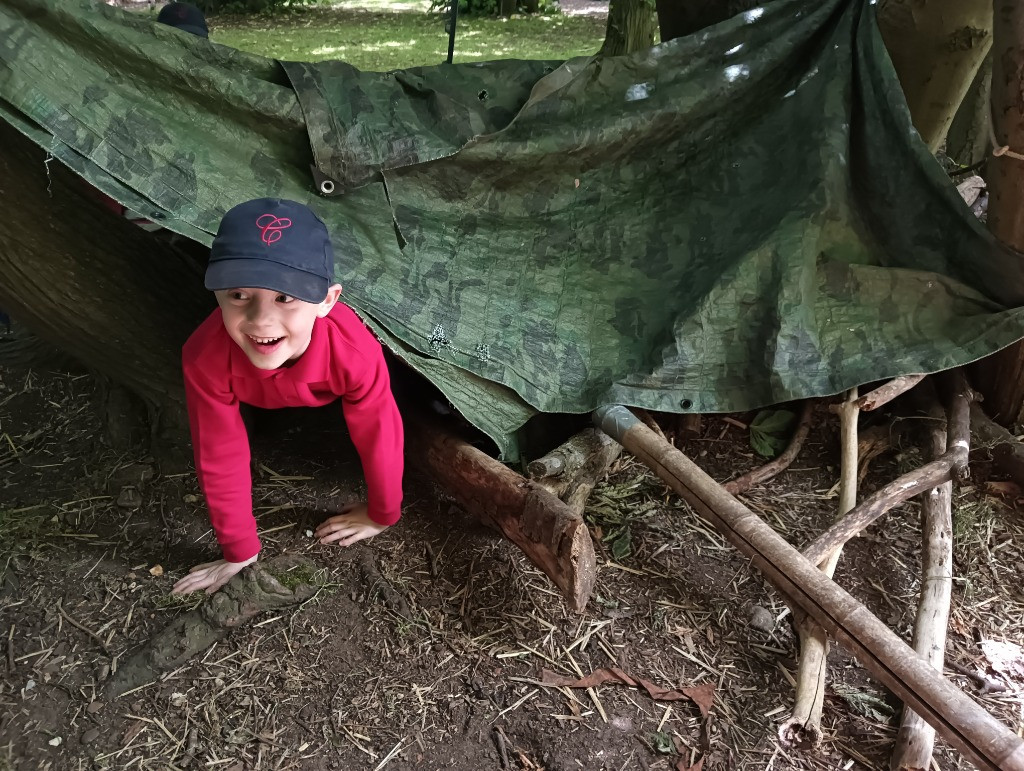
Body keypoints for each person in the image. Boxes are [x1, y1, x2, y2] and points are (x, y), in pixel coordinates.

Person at [172, 198, 404, 595]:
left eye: (285, 297)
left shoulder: (355, 353)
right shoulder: (205, 356)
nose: (261, 319)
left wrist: (382, 514)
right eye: (239, 295)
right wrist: (239, 552)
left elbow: (379, 430)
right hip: (255, 394)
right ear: (216, 294)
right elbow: (219, 451)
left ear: (327, 301)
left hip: (324, 392)